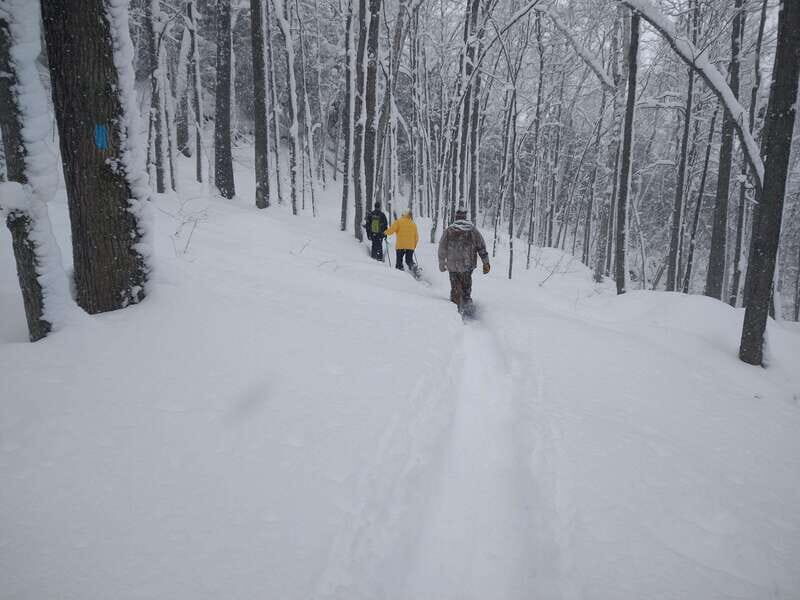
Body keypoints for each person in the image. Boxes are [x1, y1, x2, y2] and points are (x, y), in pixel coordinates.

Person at [438, 206, 490, 312]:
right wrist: (486, 263)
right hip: (468, 265)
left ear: (456, 217)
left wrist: (442, 262)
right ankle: (467, 307)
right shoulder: (473, 230)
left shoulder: (449, 230)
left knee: (455, 288)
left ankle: (455, 310)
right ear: (465, 217)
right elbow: (481, 247)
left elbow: (442, 247)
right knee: (466, 287)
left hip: (452, 265)